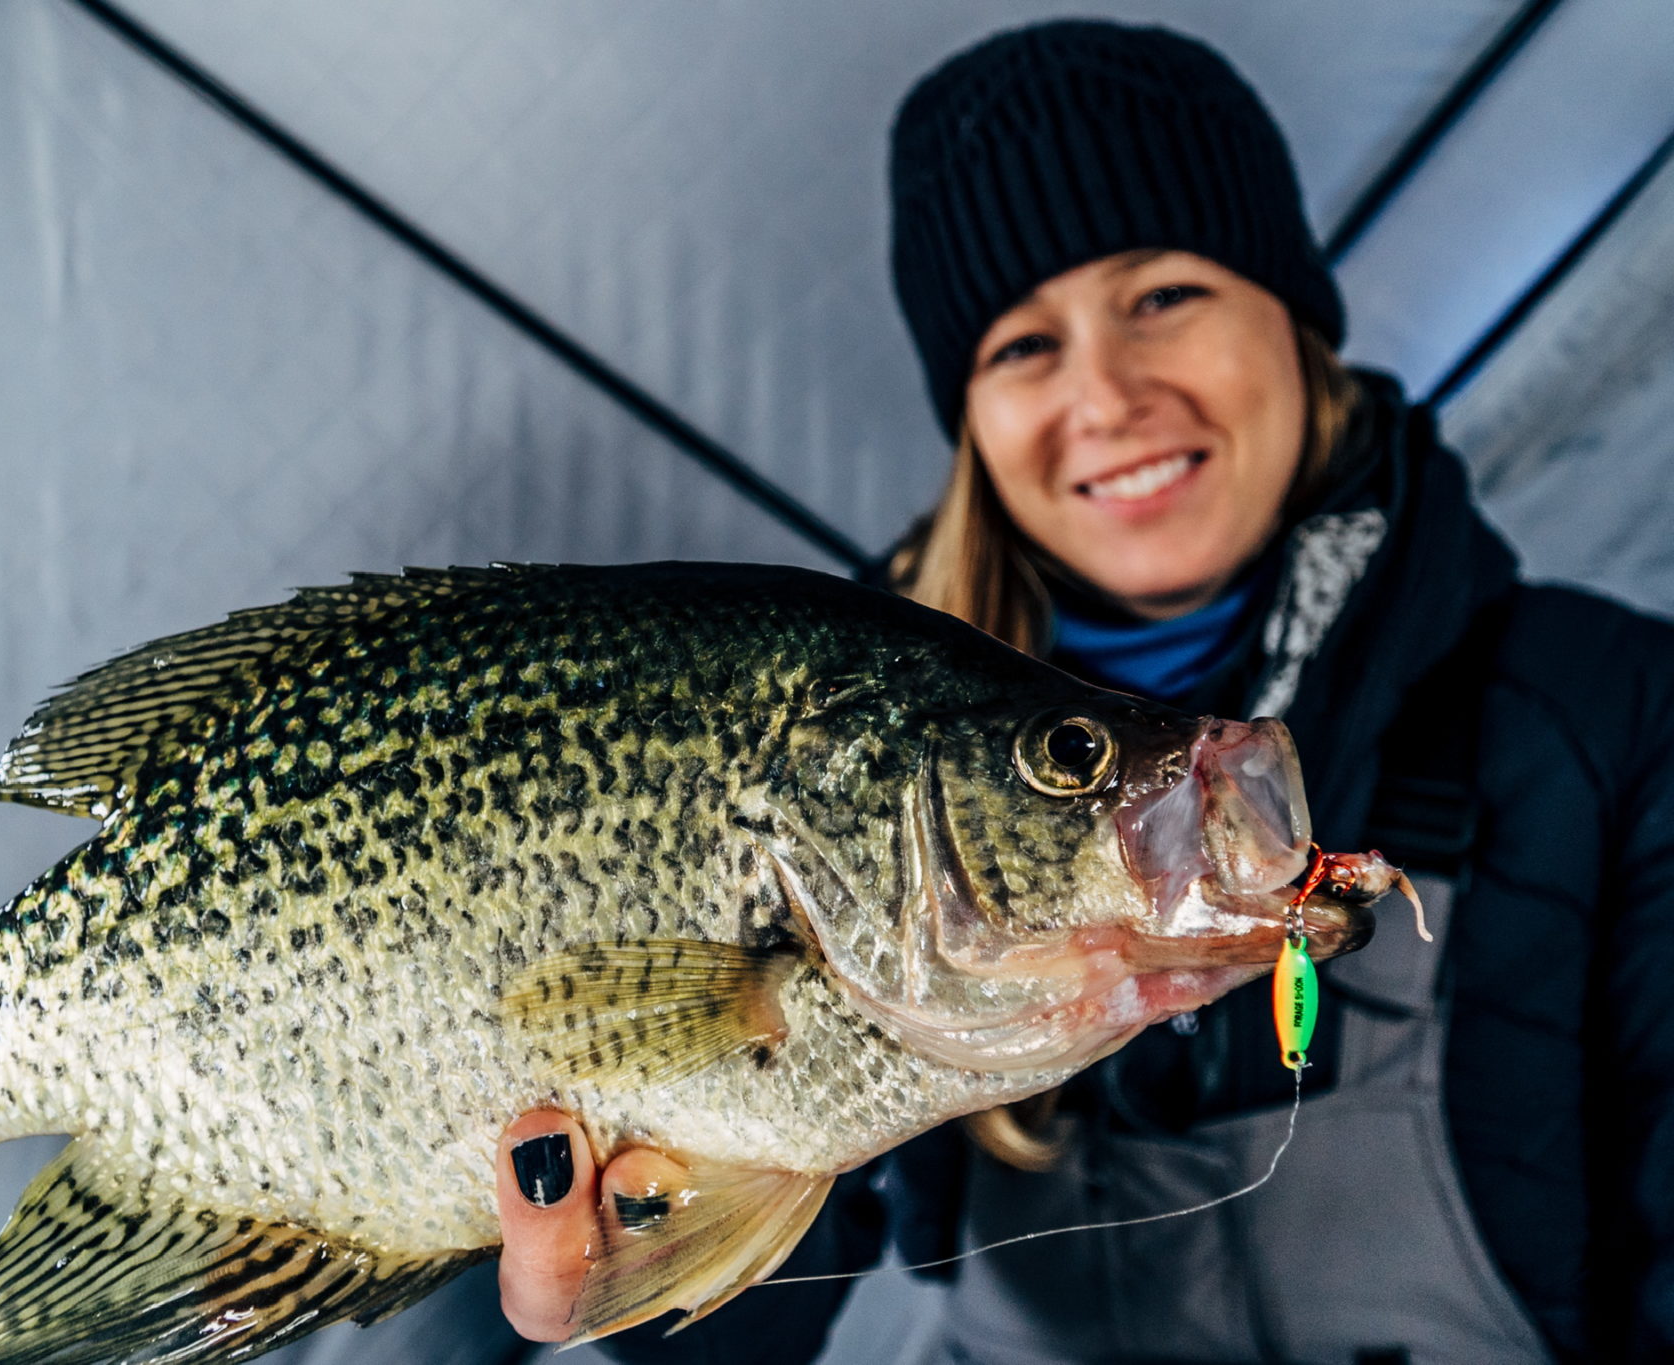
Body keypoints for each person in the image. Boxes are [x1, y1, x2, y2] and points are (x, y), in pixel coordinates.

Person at [490, 19, 1674, 1363]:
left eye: (1163, 293)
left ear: (1293, 319)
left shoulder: (1615, 709)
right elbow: (752, 1313)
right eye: (1021, 346)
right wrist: (642, 1282)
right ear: (972, 422)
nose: (1106, 395)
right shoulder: (827, 764)